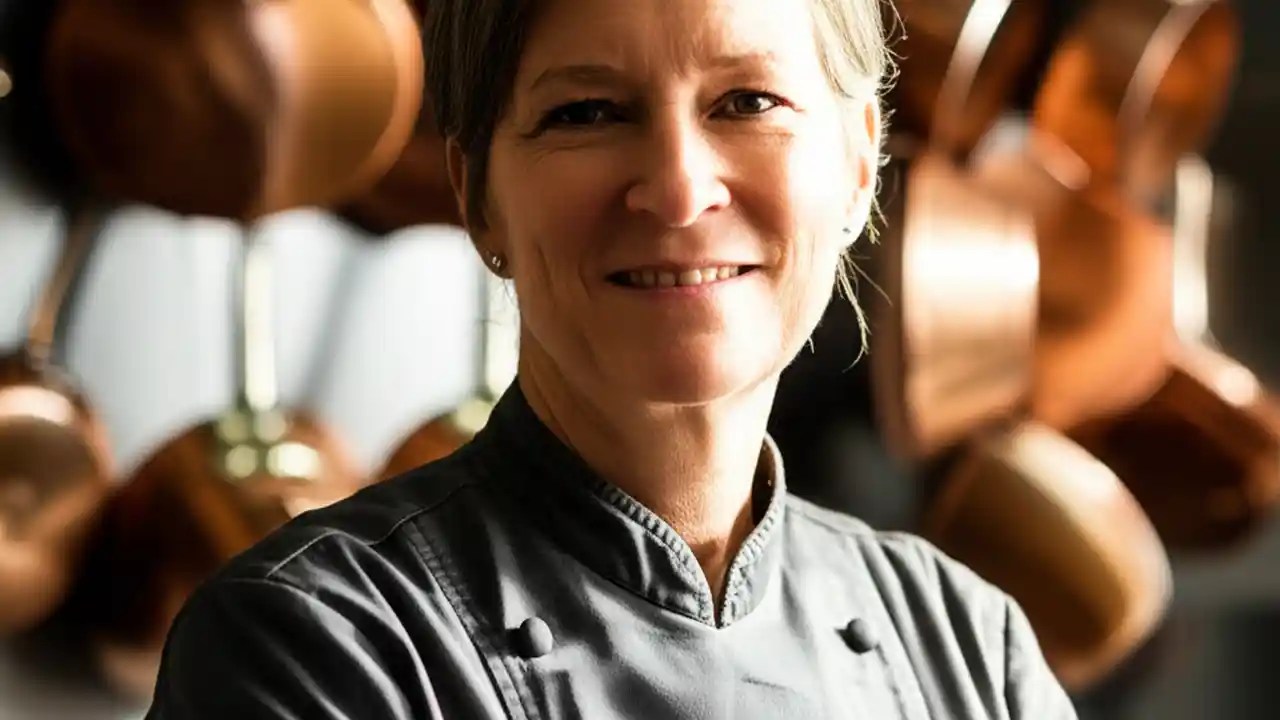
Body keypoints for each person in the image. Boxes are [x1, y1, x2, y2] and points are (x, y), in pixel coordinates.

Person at [146, 0, 1078, 717]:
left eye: (747, 101)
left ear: (859, 166)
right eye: (587, 111)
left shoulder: (966, 648)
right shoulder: (322, 644)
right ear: (479, 199)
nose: (676, 189)